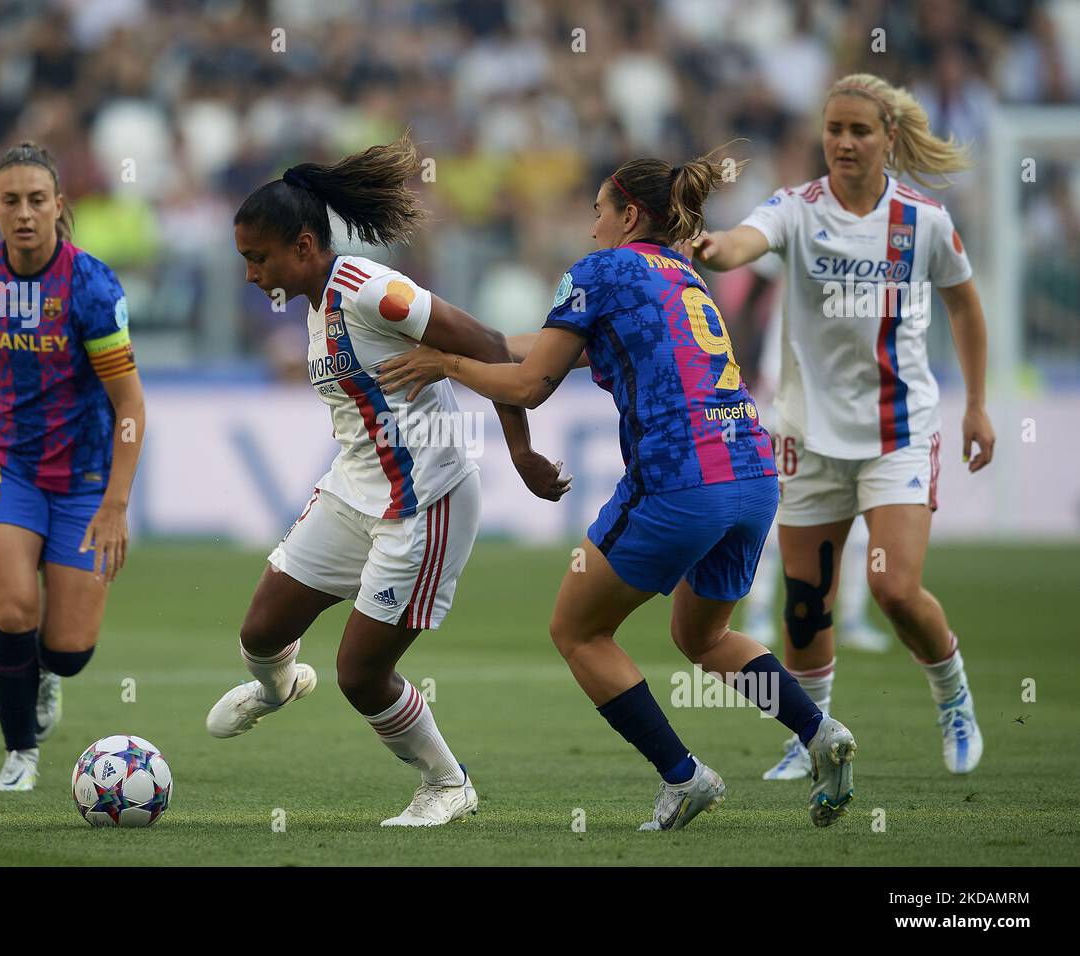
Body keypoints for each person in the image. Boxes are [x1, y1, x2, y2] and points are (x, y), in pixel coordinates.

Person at [379, 147, 857, 830]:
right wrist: (480, 344)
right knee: (706, 635)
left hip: (680, 479)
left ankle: (684, 776)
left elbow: (528, 387)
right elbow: (549, 352)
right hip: (751, 476)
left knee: (577, 629)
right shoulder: (681, 274)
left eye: (599, 211)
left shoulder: (600, 270)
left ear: (630, 212)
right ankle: (818, 733)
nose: (591, 225)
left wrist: (444, 361)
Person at [207, 134, 568, 827]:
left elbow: (489, 345)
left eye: (258, 258)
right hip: (354, 488)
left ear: (305, 248)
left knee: (360, 675)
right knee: (259, 633)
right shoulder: (314, 305)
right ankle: (278, 687)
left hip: (423, 501)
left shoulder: (371, 290)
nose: (250, 274)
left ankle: (446, 784)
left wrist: (519, 450)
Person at [692, 73, 994, 775]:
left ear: (889, 137)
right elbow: (746, 241)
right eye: (834, 130)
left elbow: (967, 308)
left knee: (892, 588)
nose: (845, 143)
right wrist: (715, 248)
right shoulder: (796, 209)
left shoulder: (923, 222)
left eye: (859, 131)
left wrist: (977, 403)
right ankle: (812, 737)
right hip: (806, 435)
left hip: (898, 432)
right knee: (805, 604)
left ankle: (954, 698)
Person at [0, 141, 145, 791]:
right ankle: (20, 752)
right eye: (11, 201)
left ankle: (45, 675)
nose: (25, 213)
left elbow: (129, 403)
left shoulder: (90, 285)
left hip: (84, 473)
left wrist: (116, 503)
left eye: (37, 200)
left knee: (68, 651)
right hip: (1, 461)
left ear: (58, 206)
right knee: (12, 608)